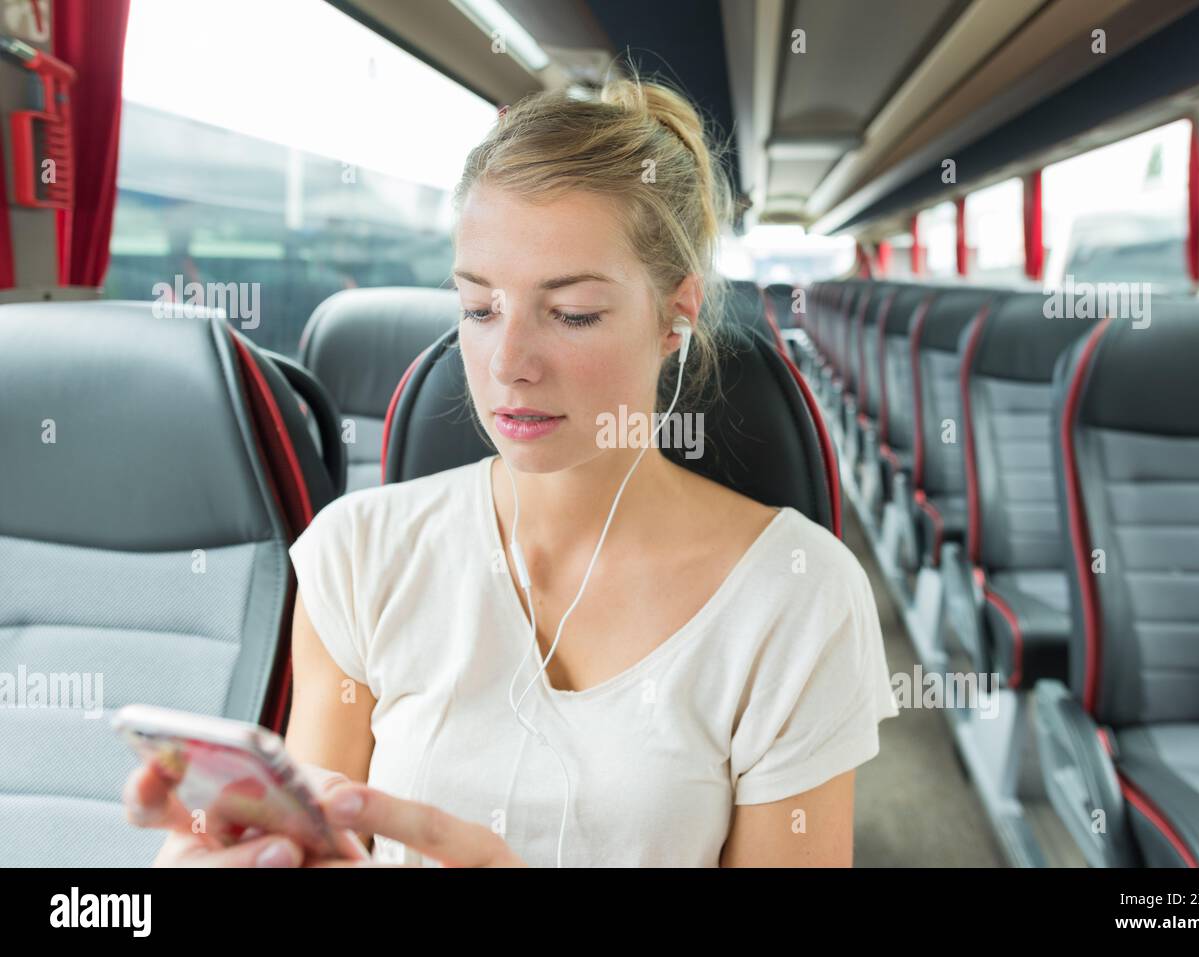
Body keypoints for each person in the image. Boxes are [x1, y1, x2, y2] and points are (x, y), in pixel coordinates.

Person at [123, 69, 899, 868]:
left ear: (677, 314)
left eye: (571, 313)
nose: (509, 363)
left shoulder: (797, 595)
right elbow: (323, 839)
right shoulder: (356, 554)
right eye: (479, 309)